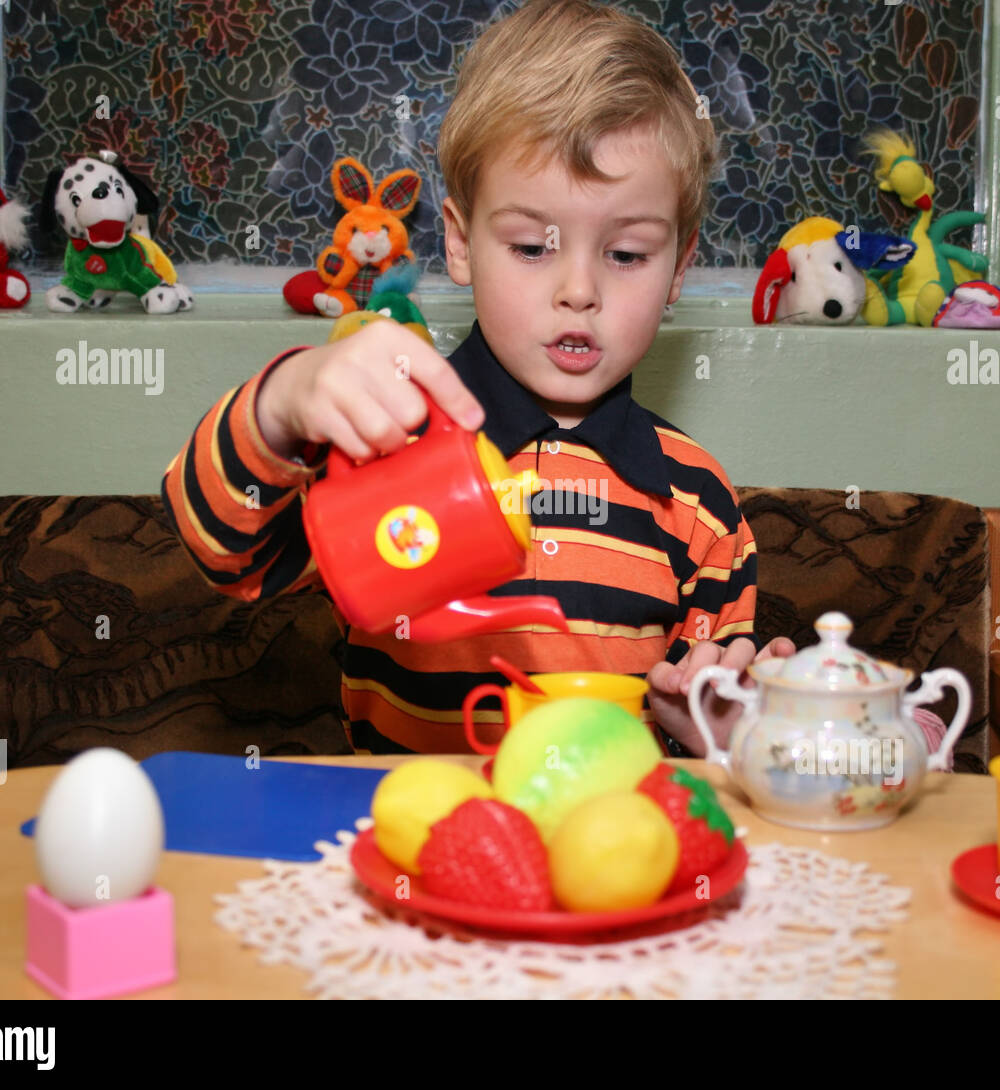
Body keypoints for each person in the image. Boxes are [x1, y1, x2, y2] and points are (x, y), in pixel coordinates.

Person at [162, 0, 796, 759]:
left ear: (678, 269)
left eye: (626, 254)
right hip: (406, 854)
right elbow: (227, 555)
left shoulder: (698, 500)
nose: (579, 290)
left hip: (608, 859)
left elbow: (717, 719)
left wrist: (726, 735)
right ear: (461, 245)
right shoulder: (389, 441)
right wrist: (283, 401)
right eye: (532, 246)